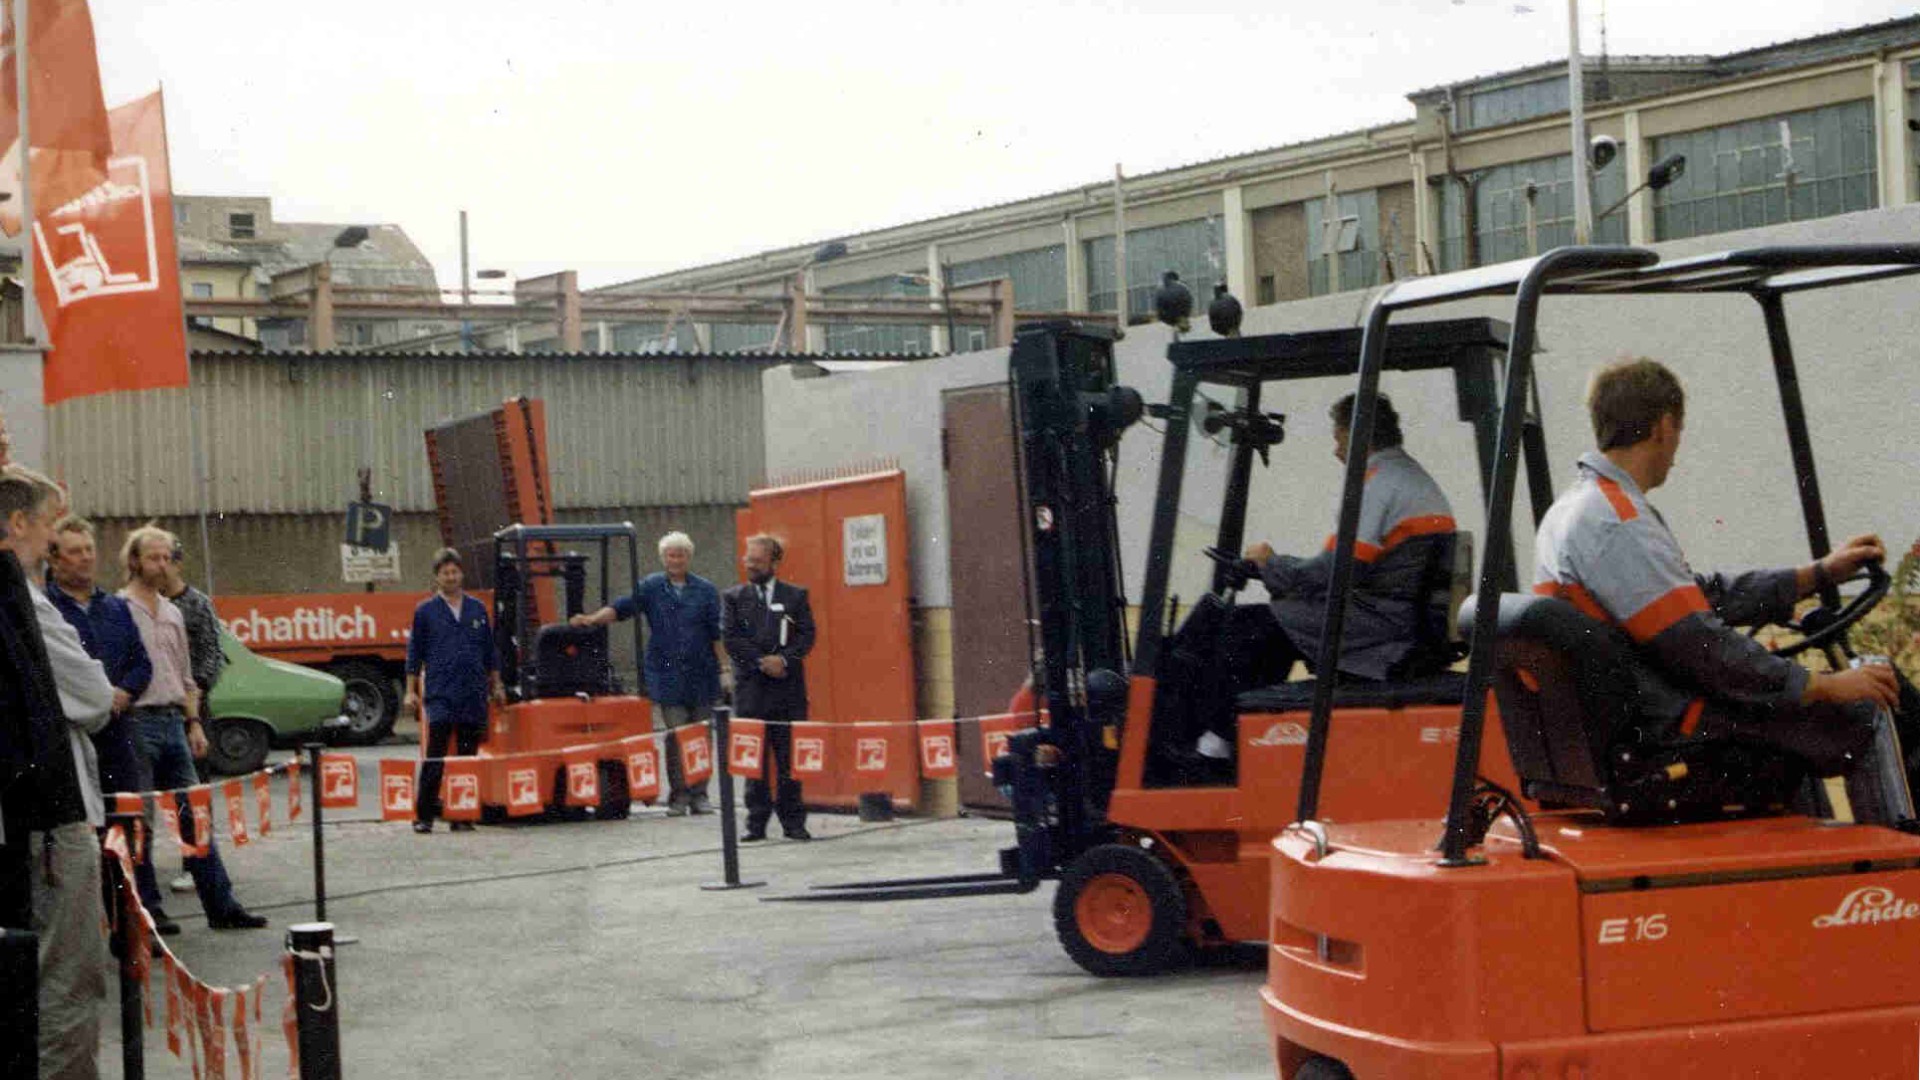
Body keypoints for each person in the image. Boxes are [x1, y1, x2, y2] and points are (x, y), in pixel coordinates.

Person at [1534, 358, 1906, 819]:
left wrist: (1817, 574)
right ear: (1664, 427)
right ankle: (1901, 878)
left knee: (1790, 713)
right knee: (1867, 712)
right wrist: (1822, 685)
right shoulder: (1616, 522)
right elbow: (1701, 647)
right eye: (1678, 434)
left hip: (1639, 719)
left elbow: (1700, 597)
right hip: (1672, 730)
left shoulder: (1578, 509)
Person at [1207, 393, 1456, 758]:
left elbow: (1337, 570)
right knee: (1274, 626)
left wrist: (1270, 564)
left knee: (1249, 626)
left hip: (1380, 624)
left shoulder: (1378, 484)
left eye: (1338, 439)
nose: (1336, 451)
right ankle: (1242, 740)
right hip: (1395, 615)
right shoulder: (1409, 477)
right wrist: (1280, 570)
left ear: (1359, 436)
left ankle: (1214, 748)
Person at [1, 464, 114, 1080]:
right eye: (48, 526)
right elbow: (94, 696)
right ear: (18, 523)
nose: (54, 541)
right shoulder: (24, 602)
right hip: (50, 815)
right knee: (66, 978)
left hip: (27, 817)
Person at [120, 523, 267, 930]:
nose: (162, 565)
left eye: (166, 558)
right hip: (137, 723)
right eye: (153, 557)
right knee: (141, 822)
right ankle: (148, 911)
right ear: (134, 561)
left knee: (195, 817)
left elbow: (187, 674)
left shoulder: (173, 612)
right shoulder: (119, 609)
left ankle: (221, 906)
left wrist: (193, 723)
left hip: (174, 722)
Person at [571, 530, 726, 816]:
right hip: (668, 676)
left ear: (689, 557)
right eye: (671, 555)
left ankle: (700, 796)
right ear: (663, 558)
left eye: (681, 555)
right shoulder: (652, 587)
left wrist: (724, 671)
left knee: (701, 737)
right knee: (677, 736)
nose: (676, 560)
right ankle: (679, 797)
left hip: (703, 674)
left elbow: (716, 633)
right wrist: (591, 619)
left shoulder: (705, 590)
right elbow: (621, 608)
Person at [46, 516, 153, 803]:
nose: (85, 558)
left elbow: (142, 663)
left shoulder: (117, 608)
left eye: (89, 549)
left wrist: (124, 692)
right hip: (73, 737)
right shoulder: (46, 611)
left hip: (120, 734)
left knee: (129, 822)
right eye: (75, 552)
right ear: (55, 561)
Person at [722, 534, 816, 841]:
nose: (751, 565)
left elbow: (807, 636)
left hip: (787, 692)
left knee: (790, 760)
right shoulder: (734, 598)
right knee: (754, 761)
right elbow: (731, 639)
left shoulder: (796, 596)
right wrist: (762, 661)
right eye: (748, 560)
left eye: (758, 561)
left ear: (774, 562)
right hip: (751, 691)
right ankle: (755, 824)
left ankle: (794, 822)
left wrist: (784, 661)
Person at [404, 548, 505, 834]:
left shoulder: (477, 609)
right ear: (437, 578)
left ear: (461, 574)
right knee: (436, 755)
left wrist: (496, 684)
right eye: (445, 572)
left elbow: (489, 651)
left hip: (472, 693)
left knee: (466, 757)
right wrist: (410, 691)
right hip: (440, 694)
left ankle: (461, 816)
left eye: (455, 571)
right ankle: (423, 817)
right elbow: (414, 654)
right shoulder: (425, 612)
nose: (451, 577)